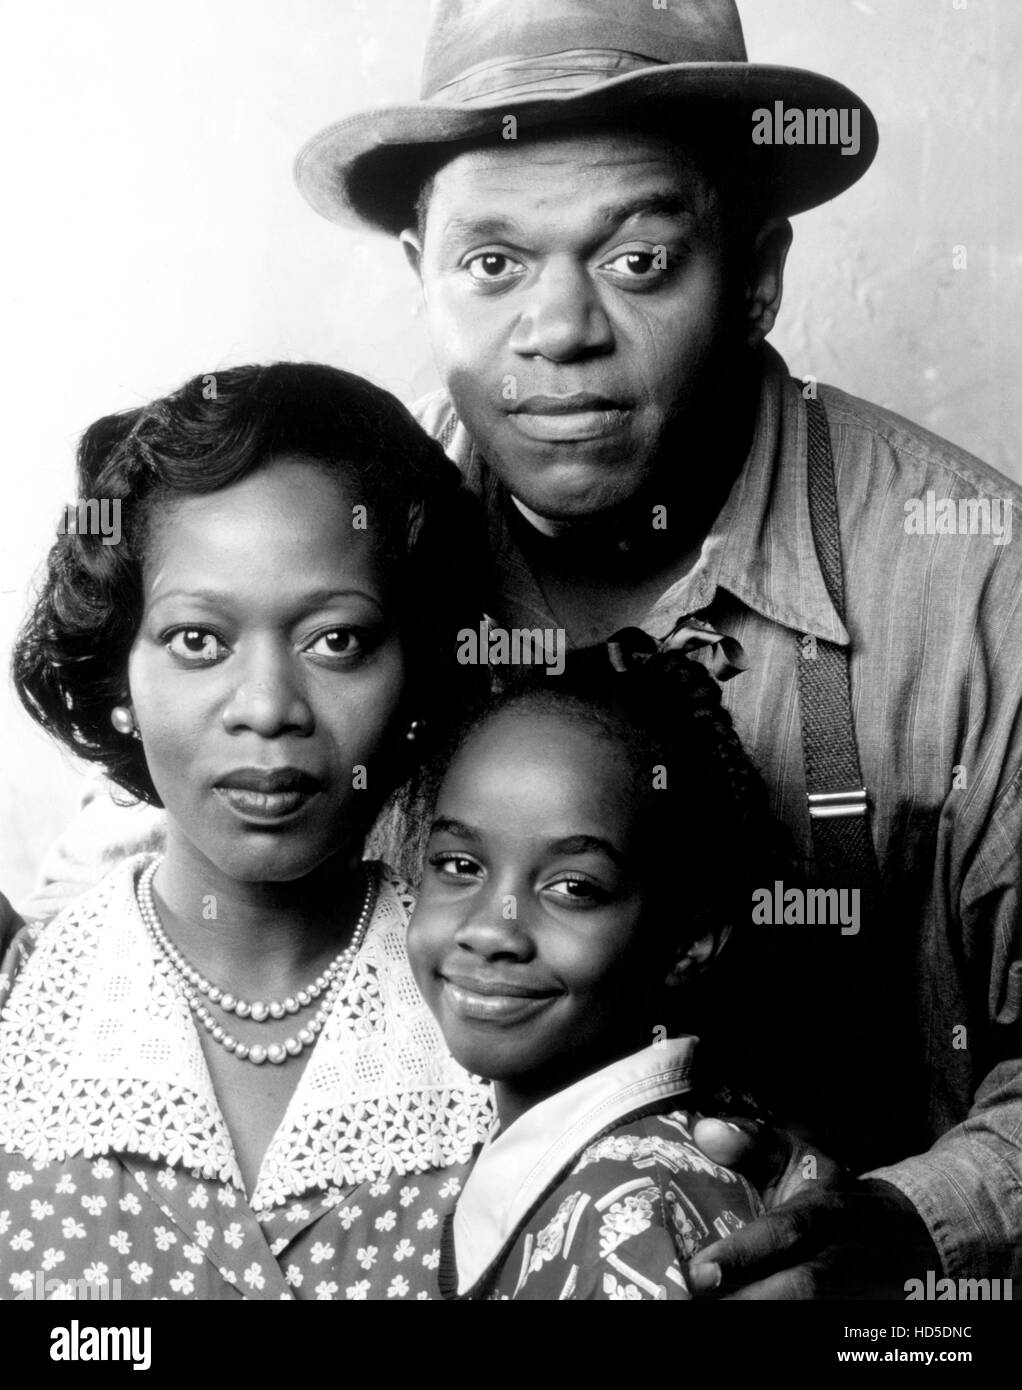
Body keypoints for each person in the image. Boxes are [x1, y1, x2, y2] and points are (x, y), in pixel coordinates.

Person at [23, 0, 1021, 1294]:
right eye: (492, 264)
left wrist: (899, 1229)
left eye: (639, 260)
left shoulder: (971, 576)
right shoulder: (345, 524)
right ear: (417, 267)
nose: (557, 330)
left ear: (758, 272)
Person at [1, 362, 494, 1300]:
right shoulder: (21, 1009)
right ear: (119, 681)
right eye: (198, 641)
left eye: (336, 640)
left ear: (419, 676)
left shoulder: (511, 1010)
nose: (268, 708)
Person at [406, 634, 778, 1300]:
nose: (493, 929)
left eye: (574, 886)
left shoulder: (631, 1212)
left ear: (689, 940)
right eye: (460, 866)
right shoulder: (527, 1162)